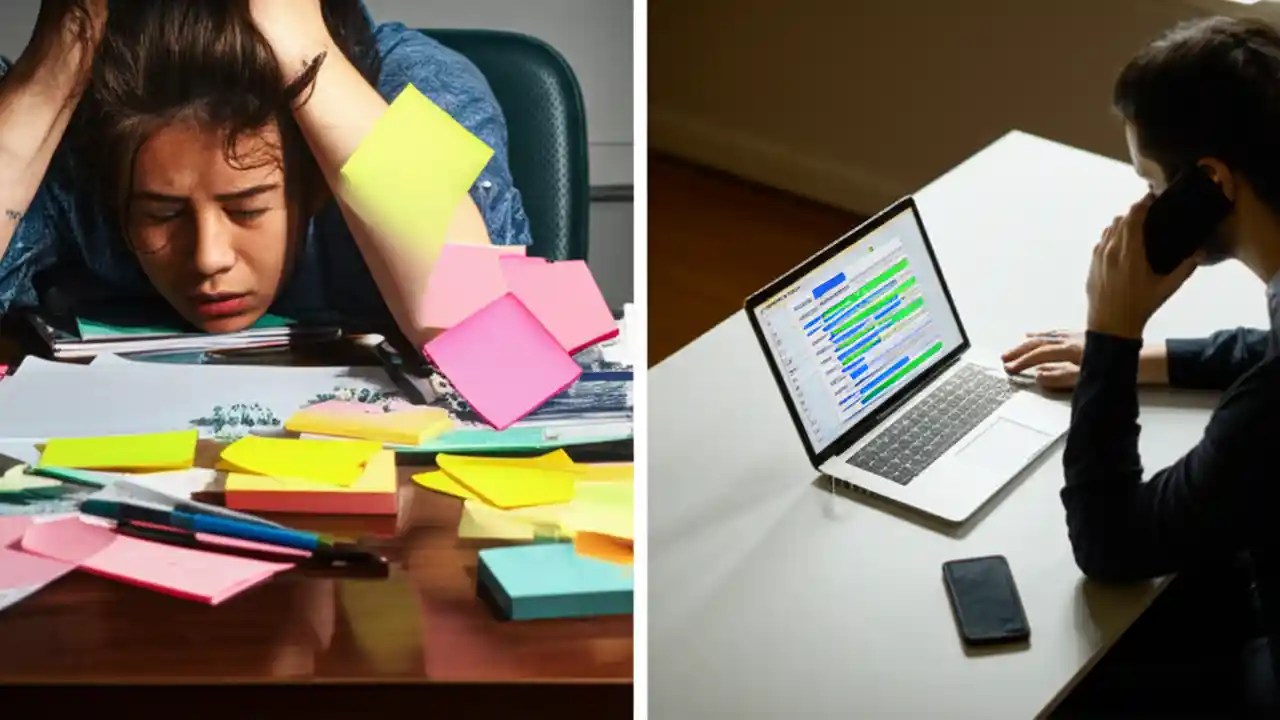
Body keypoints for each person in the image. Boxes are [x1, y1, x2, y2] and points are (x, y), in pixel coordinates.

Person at [1002, 16, 1280, 715]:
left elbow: (1110, 541)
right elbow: (1264, 348)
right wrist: (1146, 360)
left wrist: (1114, 332)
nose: (1144, 209)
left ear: (1211, 183)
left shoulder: (1270, 410)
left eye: (1153, 187)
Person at [0, 0, 530, 347]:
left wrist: (299, 42)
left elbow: (484, 335)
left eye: (247, 207)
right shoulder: (59, 111)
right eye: (160, 214)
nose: (209, 258)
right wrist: (63, 52)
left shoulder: (405, 91)